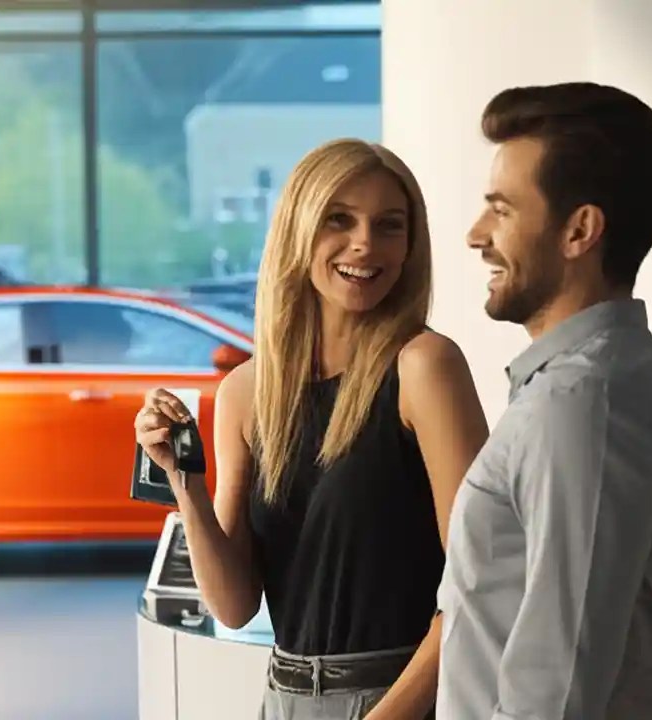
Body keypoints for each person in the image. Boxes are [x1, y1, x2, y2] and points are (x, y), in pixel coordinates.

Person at [134, 138, 489, 719]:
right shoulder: (247, 393)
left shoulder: (425, 367)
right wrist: (183, 481)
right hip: (284, 696)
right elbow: (232, 605)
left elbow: (479, 587)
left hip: (404, 696)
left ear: (410, 246)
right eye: (339, 220)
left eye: (389, 225)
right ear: (298, 231)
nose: (365, 244)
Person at [436, 82, 652, 720]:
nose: (477, 234)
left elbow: (554, 695)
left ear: (579, 230)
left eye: (501, 210)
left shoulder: (583, 403)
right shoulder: (606, 381)